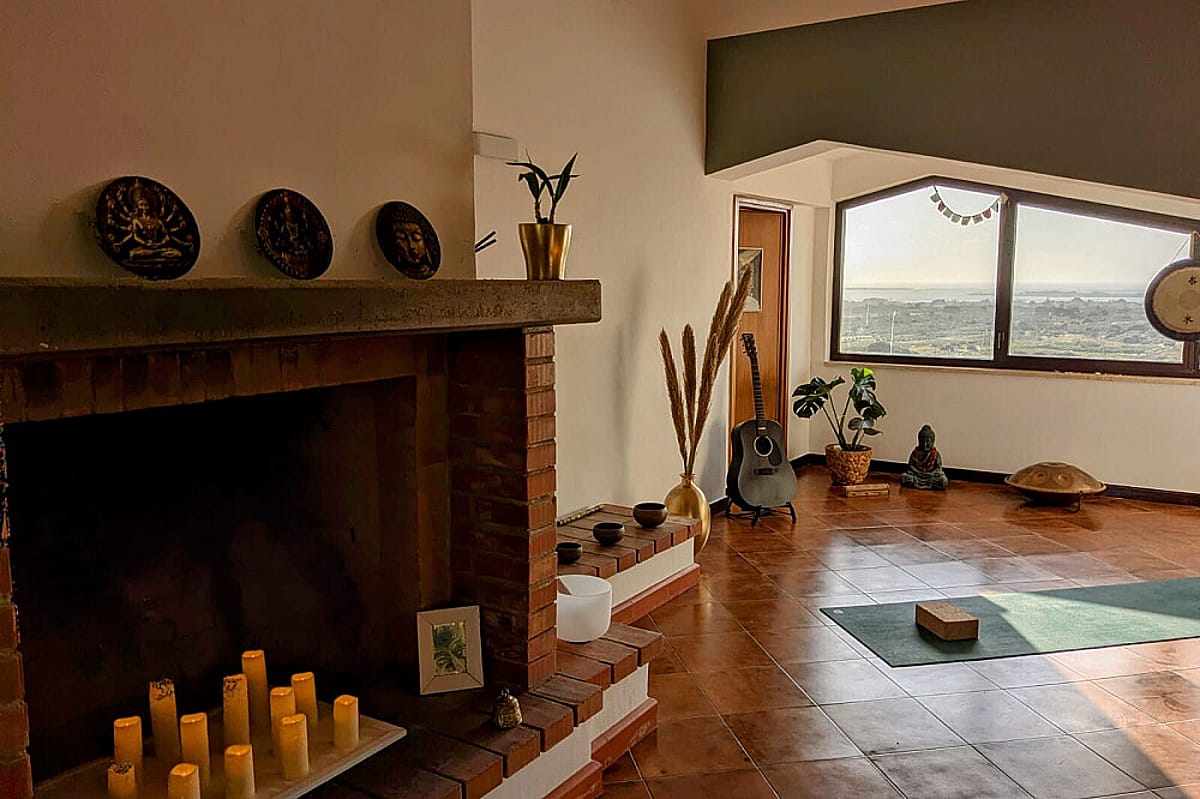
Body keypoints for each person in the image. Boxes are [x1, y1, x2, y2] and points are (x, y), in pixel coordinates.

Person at [901, 424, 949, 490]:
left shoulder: (935, 453)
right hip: (916, 475)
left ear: (932, 442)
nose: (925, 444)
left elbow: (938, 468)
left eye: (927, 441)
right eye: (922, 441)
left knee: (943, 481)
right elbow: (911, 465)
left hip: (930, 476)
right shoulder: (916, 452)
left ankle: (928, 483)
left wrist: (931, 473)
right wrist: (917, 472)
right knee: (904, 477)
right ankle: (916, 482)